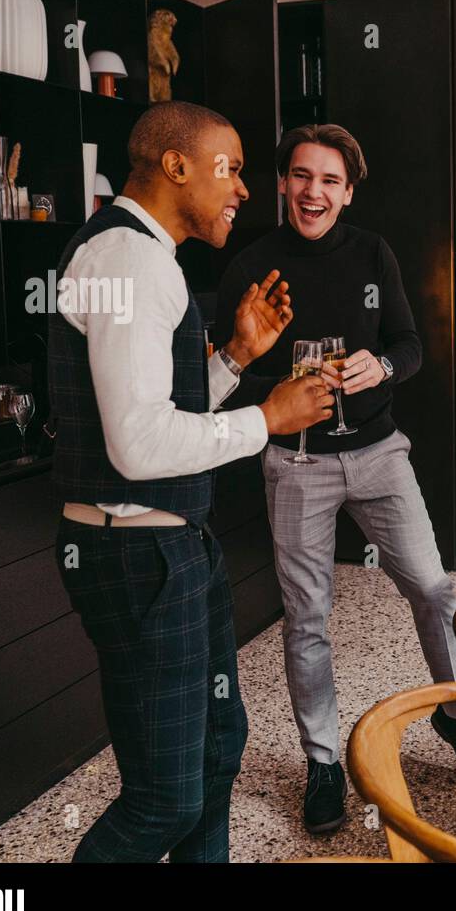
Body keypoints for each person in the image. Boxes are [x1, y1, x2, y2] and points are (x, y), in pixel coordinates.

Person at [49, 102, 334, 862]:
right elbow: (139, 445)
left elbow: (159, 412)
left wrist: (237, 356)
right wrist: (266, 419)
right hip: (139, 555)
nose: (244, 187)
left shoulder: (144, 257)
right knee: (163, 800)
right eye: (230, 166)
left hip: (172, 546)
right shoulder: (131, 262)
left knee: (216, 750)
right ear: (176, 167)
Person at [216, 124, 456, 836]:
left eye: (331, 180)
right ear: (283, 183)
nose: (315, 192)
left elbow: (410, 344)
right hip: (297, 461)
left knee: (433, 586)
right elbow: (226, 372)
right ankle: (322, 762)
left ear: (348, 191)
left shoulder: (374, 252)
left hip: (378, 451)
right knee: (307, 619)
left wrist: (385, 367)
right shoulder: (250, 263)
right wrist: (278, 389)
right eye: (302, 176)